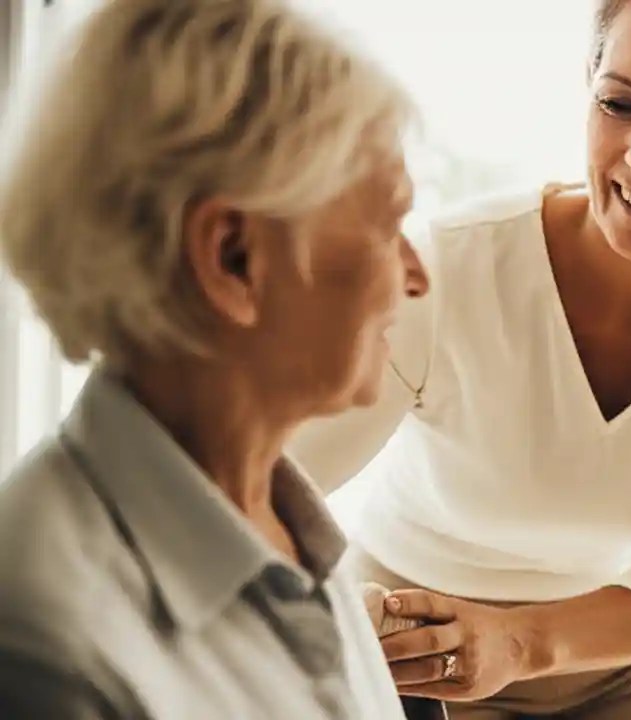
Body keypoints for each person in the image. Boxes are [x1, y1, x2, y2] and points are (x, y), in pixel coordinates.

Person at [289, 0, 631, 717]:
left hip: (622, 665)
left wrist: (517, 642)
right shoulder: (445, 268)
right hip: (415, 649)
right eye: (618, 104)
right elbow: (269, 486)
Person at [0, 0, 437, 717]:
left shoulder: (287, 526)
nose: (416, 277)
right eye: (389, 227)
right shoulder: (51, 647)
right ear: (232, 259)